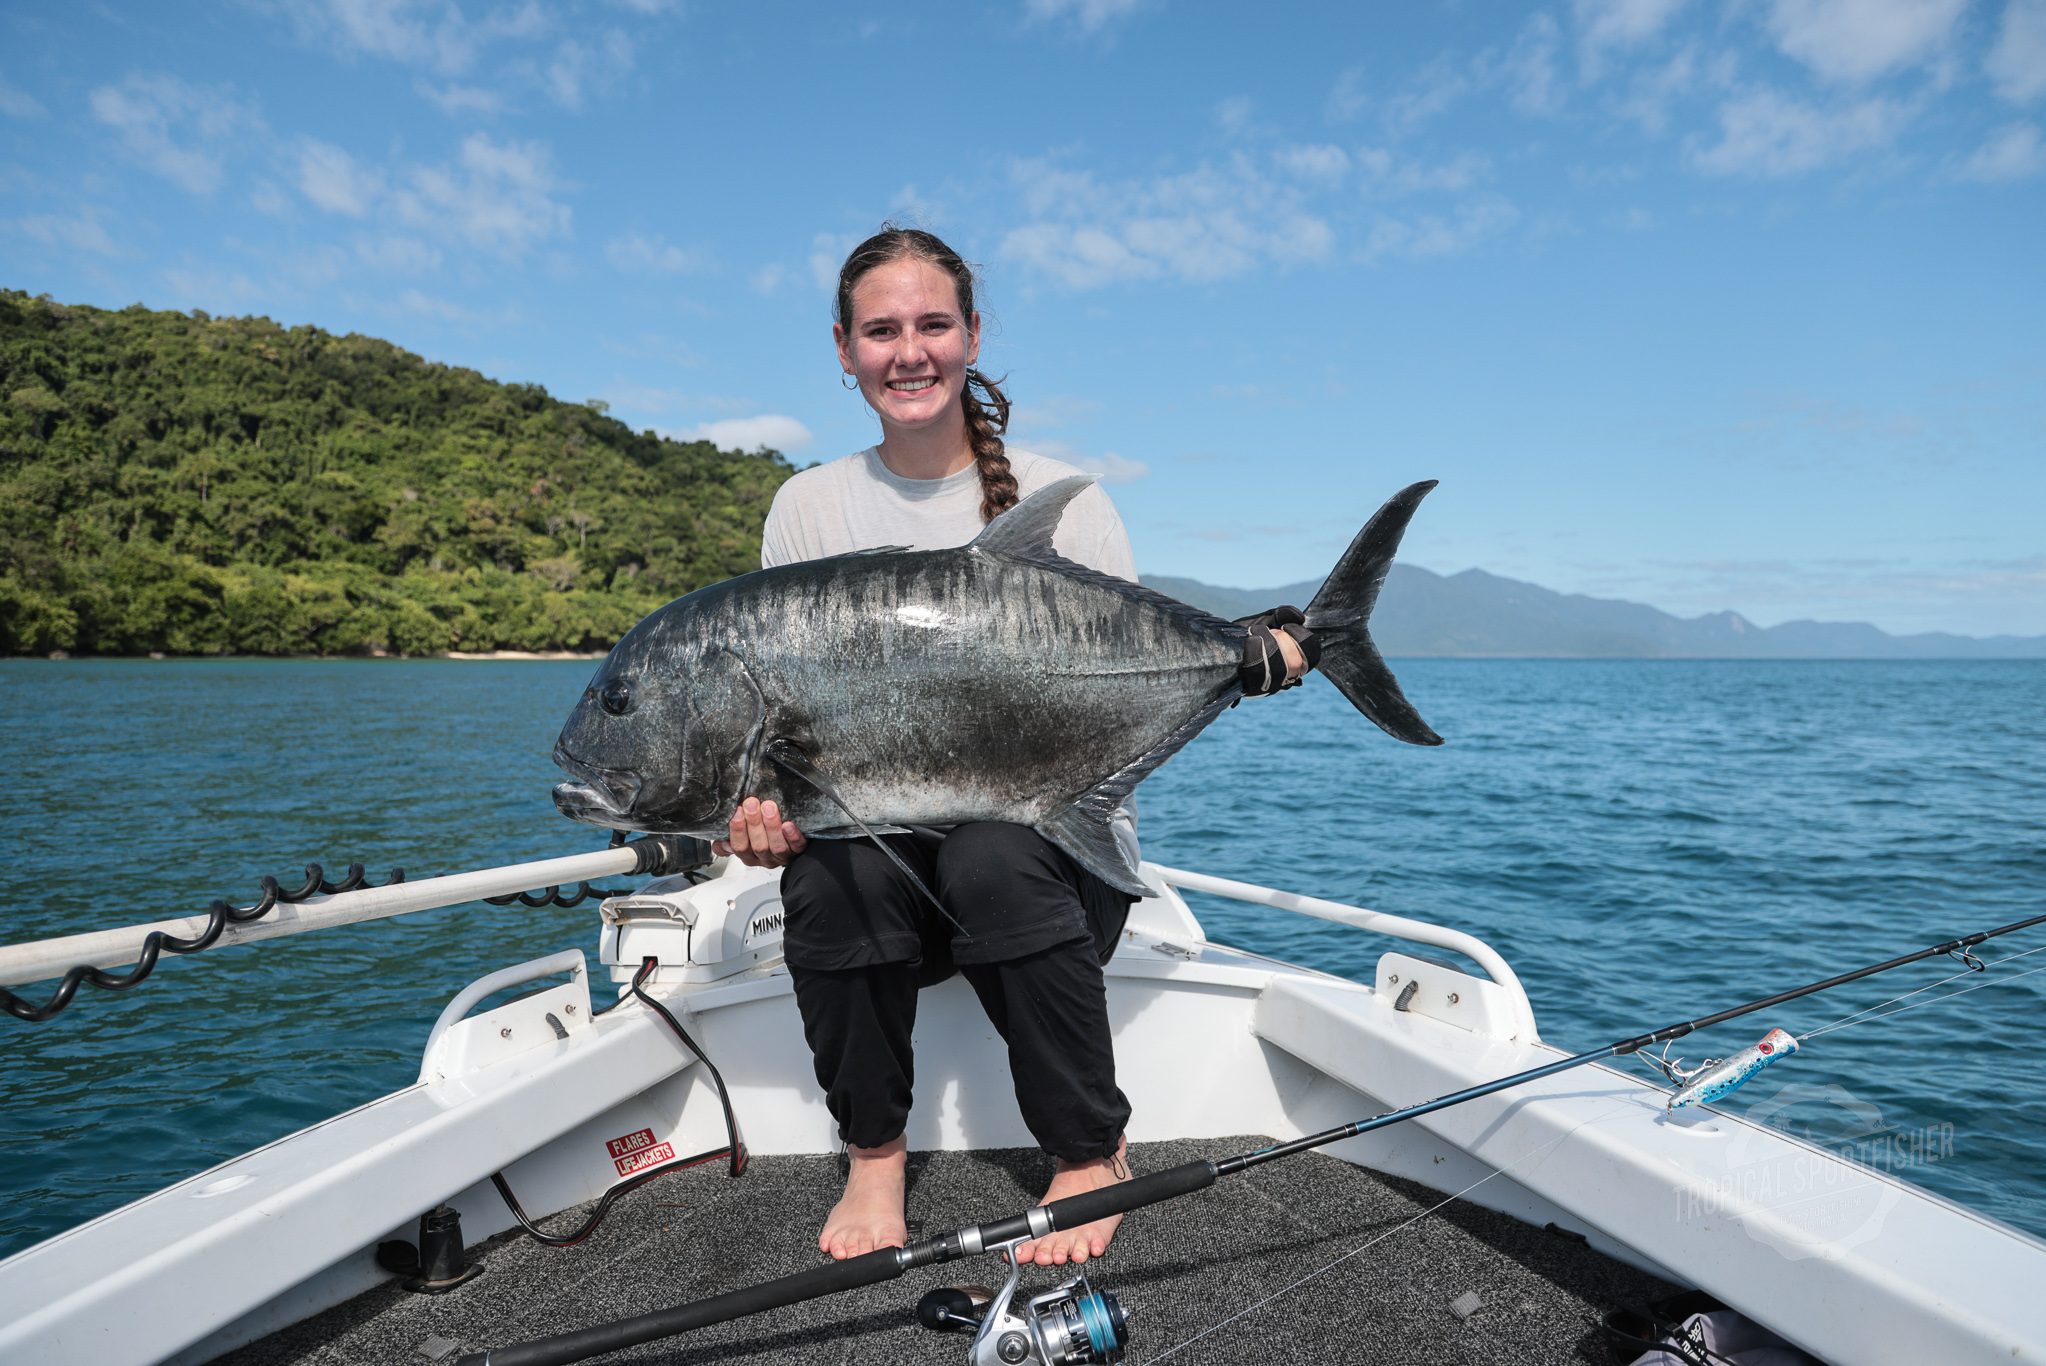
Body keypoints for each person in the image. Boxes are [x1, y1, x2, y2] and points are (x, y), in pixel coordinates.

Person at [713, 226, 1307, 1270]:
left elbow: (1127, 684)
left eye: (933, 324)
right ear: (845, 349)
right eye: (882, 329)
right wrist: (763, 819)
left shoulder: (1060, 496)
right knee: (828, 871)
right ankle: (875, 1151)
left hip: (1053, 867)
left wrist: (1241, 658)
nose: (910, 351)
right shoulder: (806, 508)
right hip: (898, 881)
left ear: (973, 335)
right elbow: (799, 726)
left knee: (992, 848)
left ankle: (1089, 1151)